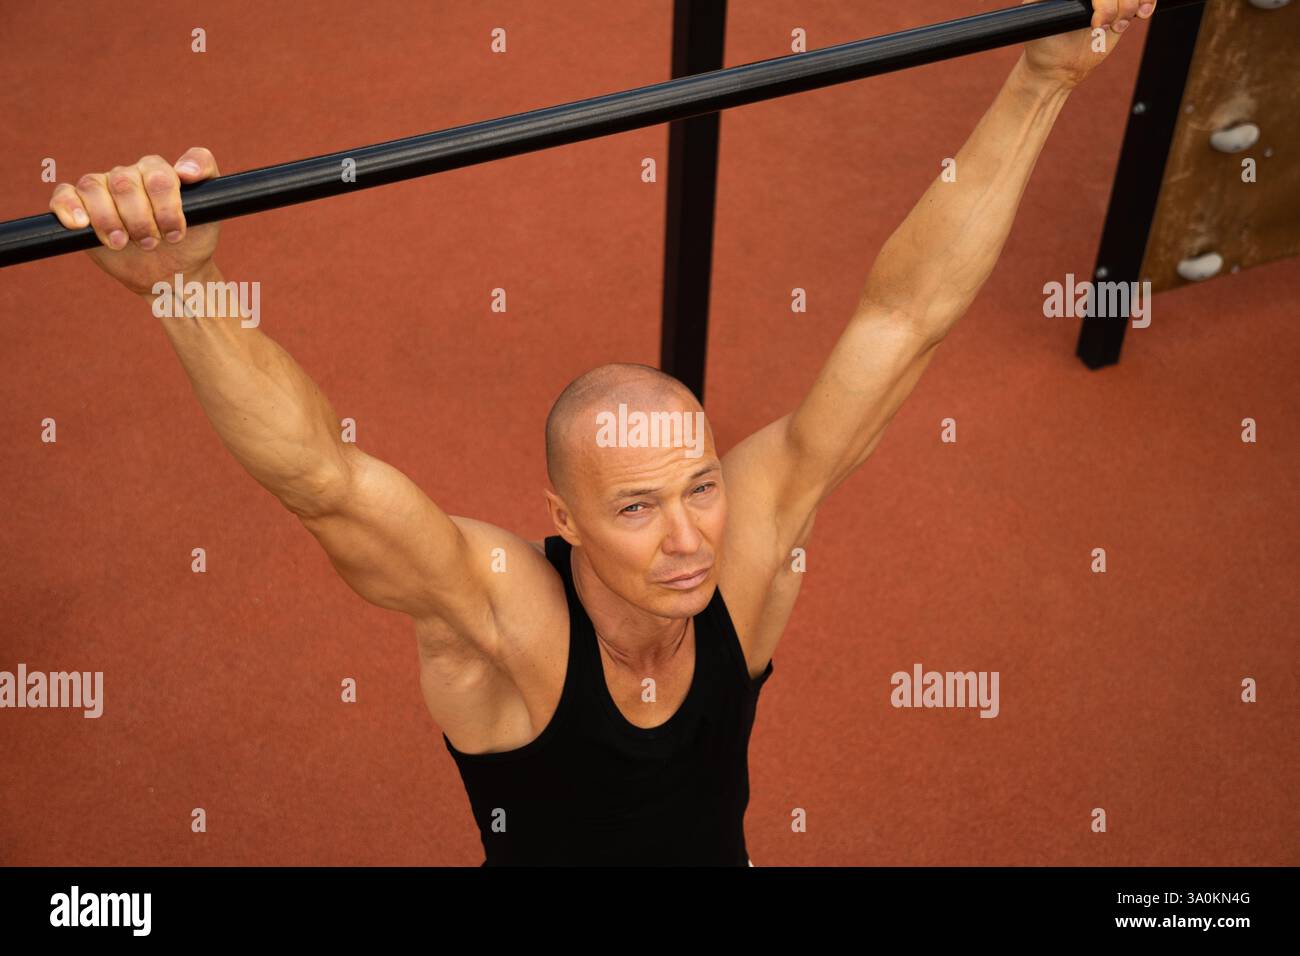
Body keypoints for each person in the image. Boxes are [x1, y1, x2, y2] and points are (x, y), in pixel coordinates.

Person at [46, 1, 1156, 865]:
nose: (689, 540)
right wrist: (182, 289)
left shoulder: (750, 541)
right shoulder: (500, 619)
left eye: (701, 486)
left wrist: (1040, 80)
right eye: (635, 506)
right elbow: (323, 481)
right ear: (561, 520)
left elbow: (902, 318)